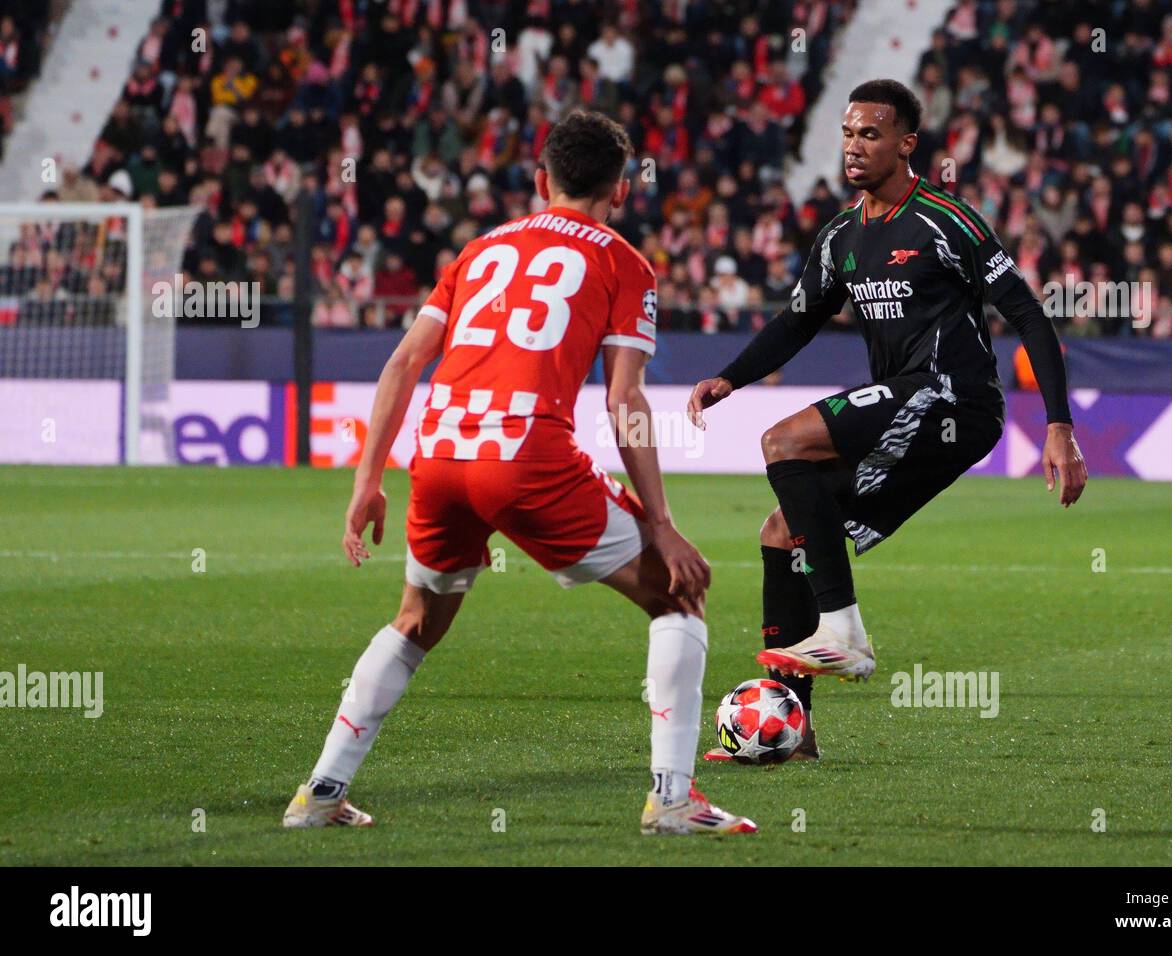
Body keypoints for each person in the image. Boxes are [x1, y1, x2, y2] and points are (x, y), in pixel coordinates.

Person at [284, 111, 754, 835]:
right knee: (678, 597)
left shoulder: (478, 250)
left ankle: (318, 793)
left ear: (542, 181)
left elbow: (404, 363)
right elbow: (624, 398)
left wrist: (366, 482)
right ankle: (672, 798)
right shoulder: (625, 263)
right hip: (527, 459)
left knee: (413, 622)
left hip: (438, 458)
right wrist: (661, 524)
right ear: (622, 190)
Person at [687, 80, 1088, 760]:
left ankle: (843, 629)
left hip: (954, 396)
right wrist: (732, 375)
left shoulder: (945, 218)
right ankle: (793, 733)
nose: (853, 146)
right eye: (848, 133)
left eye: (870, 134)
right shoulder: (842, 236)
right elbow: (799, 319)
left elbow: (1026, 314)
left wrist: (1058, 424)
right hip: (907, 404)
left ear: (906, 144)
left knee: (783, 441)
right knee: (783, 530)